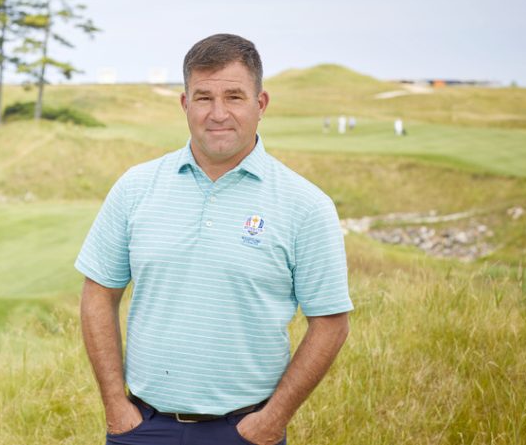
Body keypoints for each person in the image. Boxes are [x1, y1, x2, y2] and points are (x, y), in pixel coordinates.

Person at [76, 34, 353, 445]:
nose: (218, 113)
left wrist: (271, 420)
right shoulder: (135, 187)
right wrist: (116, 406)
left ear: (260, 105)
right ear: (185, 105)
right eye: (203, 97)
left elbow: (330, 323)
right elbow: (98, 293)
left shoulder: (306, 205)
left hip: (244, 431)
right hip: (142, 428)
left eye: (235, 97)